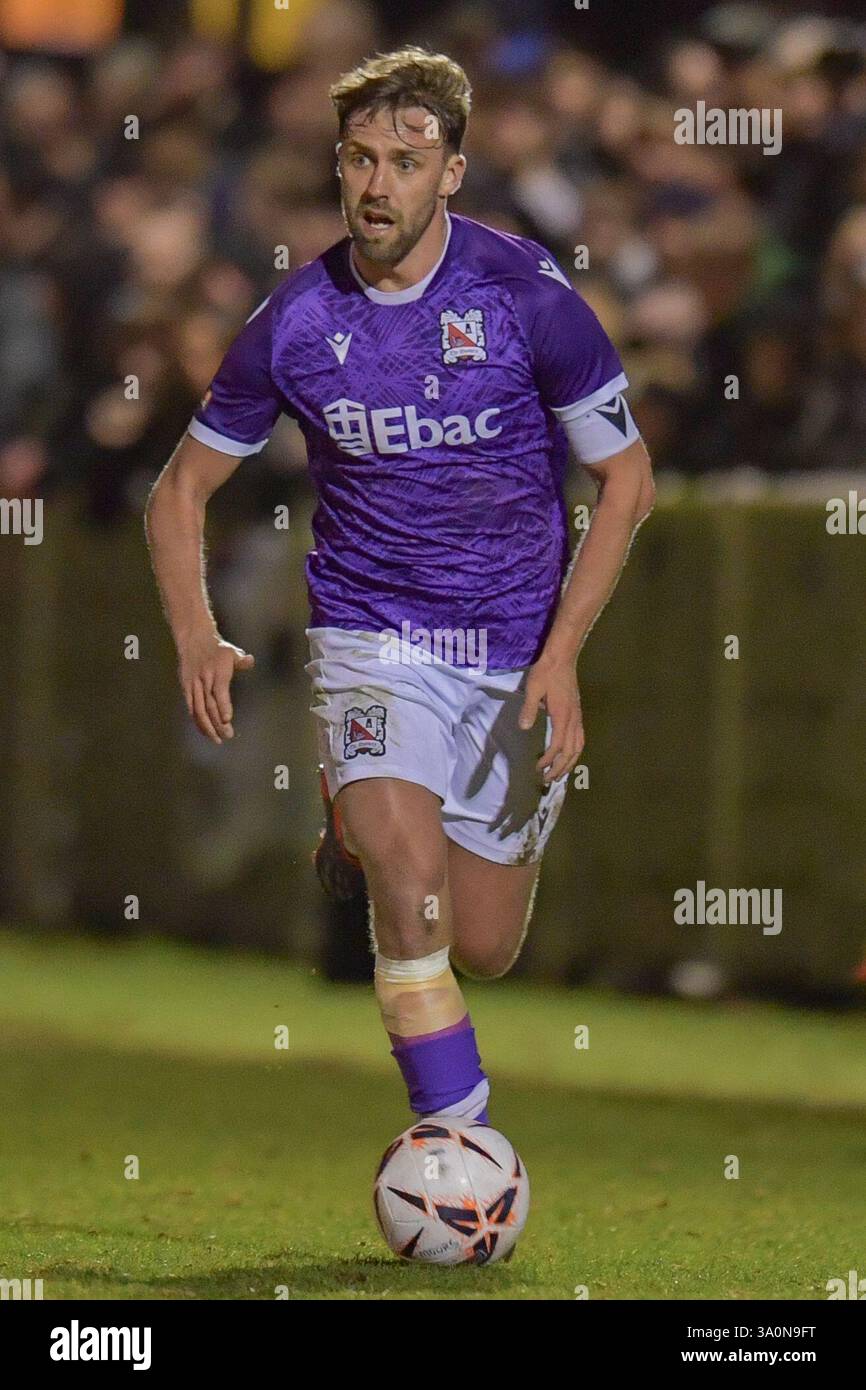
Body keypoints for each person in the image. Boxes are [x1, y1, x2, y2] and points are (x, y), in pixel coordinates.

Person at [145, 45, 654, 1129]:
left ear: (452, 173)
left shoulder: (524, 298)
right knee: (408, 885)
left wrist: (561, 655)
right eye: (359, 159)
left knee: (481, 942)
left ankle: (367, 836)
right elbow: (178, 492)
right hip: (370, 641)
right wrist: (196, 633)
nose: (378, 185)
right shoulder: (297, 319)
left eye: (406, 162)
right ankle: (455, 1145)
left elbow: (624, 481)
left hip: (509, 652)